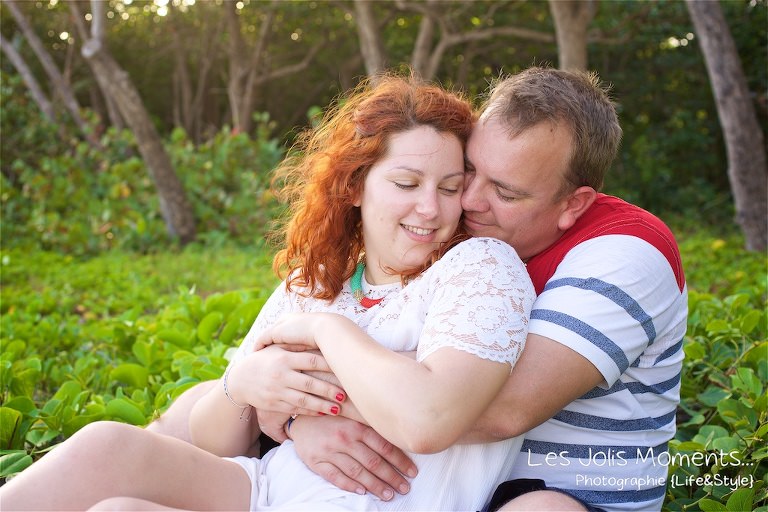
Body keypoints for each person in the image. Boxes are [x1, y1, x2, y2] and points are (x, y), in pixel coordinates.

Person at [0, 74, 536, 511]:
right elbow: (217, 440)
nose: (431, 209)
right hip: (261, 492)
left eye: (448, 188)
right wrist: (244, 387)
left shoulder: (479, 267)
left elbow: (427, 418)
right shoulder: (316, 282)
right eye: (406, 184)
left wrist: (327, 333)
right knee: (106, 452)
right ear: (354, 185)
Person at [221, 67, 687, 512]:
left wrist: (295, 397)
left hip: (568, 492)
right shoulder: (461, 243)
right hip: (445, 484)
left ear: (573, 204)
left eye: (504, 192)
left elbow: (491, 407)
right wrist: (289, 414)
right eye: (467, 173)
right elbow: (397, 352)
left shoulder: (625, 255)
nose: (467, 200)